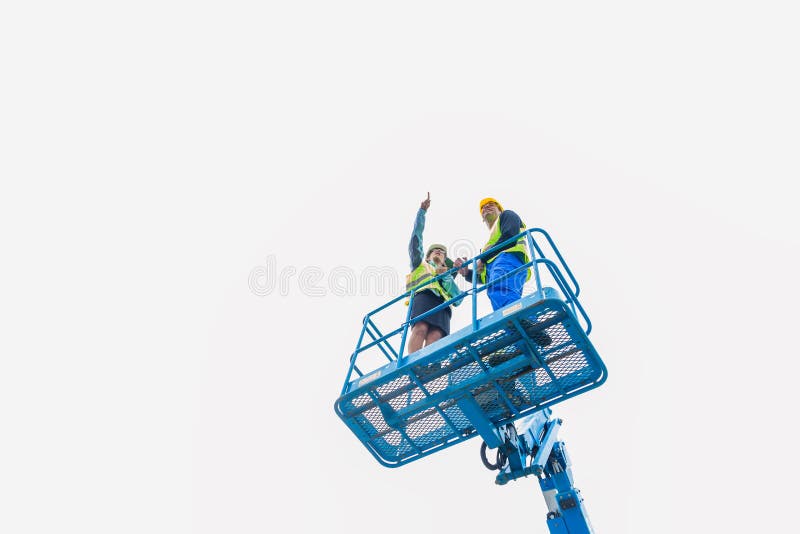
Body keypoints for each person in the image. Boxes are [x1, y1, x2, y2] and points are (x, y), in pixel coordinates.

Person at [406, 193, 463, 355]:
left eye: (442, 253)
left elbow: (457, 299)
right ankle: (414, 363)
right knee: (421, 328)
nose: (438, 252)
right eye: (435, 251)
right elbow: (415, 241)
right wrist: (421, 213)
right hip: (424, 298)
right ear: (428, 256)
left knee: (436, 335)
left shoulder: (447, 276)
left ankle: (427, 367)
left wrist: (447, 273)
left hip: (442, 306)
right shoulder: (420, 264)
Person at [455, 197, 530, 311]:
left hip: (509, 258)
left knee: (499, 289)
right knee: (499, 298)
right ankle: (518, 325)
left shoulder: (507, 215)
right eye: (483, 208)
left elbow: (510, 237)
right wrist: (467, 273)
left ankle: (522, 319)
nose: (486, 207)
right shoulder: (488, 245)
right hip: (503, 265)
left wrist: (483, 259)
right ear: (482, 219)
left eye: (491, 204)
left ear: (500, 210)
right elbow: (486, 278)